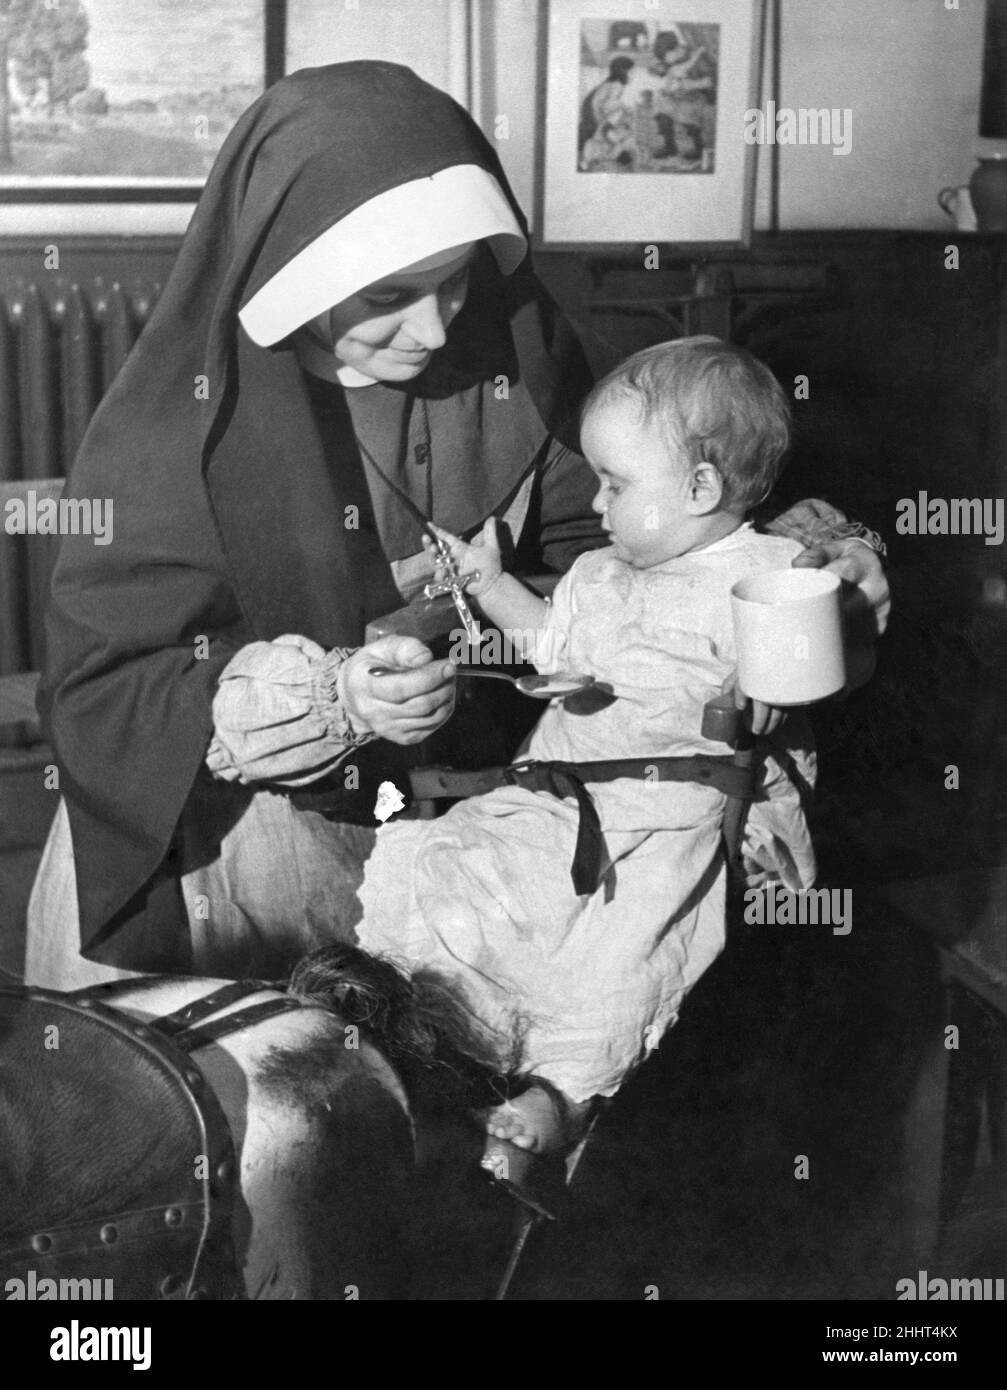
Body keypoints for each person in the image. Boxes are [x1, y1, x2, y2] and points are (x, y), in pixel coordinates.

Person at [26, 61, 889, 992]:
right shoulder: (179, 431)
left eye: (453, 283)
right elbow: (106, 694)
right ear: (293, 280)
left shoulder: (516, 358)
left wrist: (823, 566)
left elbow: (649, 540)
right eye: (386, 297)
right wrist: (334, 698)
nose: (435, 332)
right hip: (231, 841)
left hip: (467, 831)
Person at [357, 338, 831, 1159]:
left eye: (615, 484)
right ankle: (425, 1038)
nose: (599, 505)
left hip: (672, 817)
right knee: (449, 868)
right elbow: (549, 643)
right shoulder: (599, 575)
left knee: (624, 954)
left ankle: (562, 1093)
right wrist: (487, 584)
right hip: (558, 794)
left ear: (701, 488)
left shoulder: (767, 574)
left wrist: (775, 689)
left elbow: (822, 669)